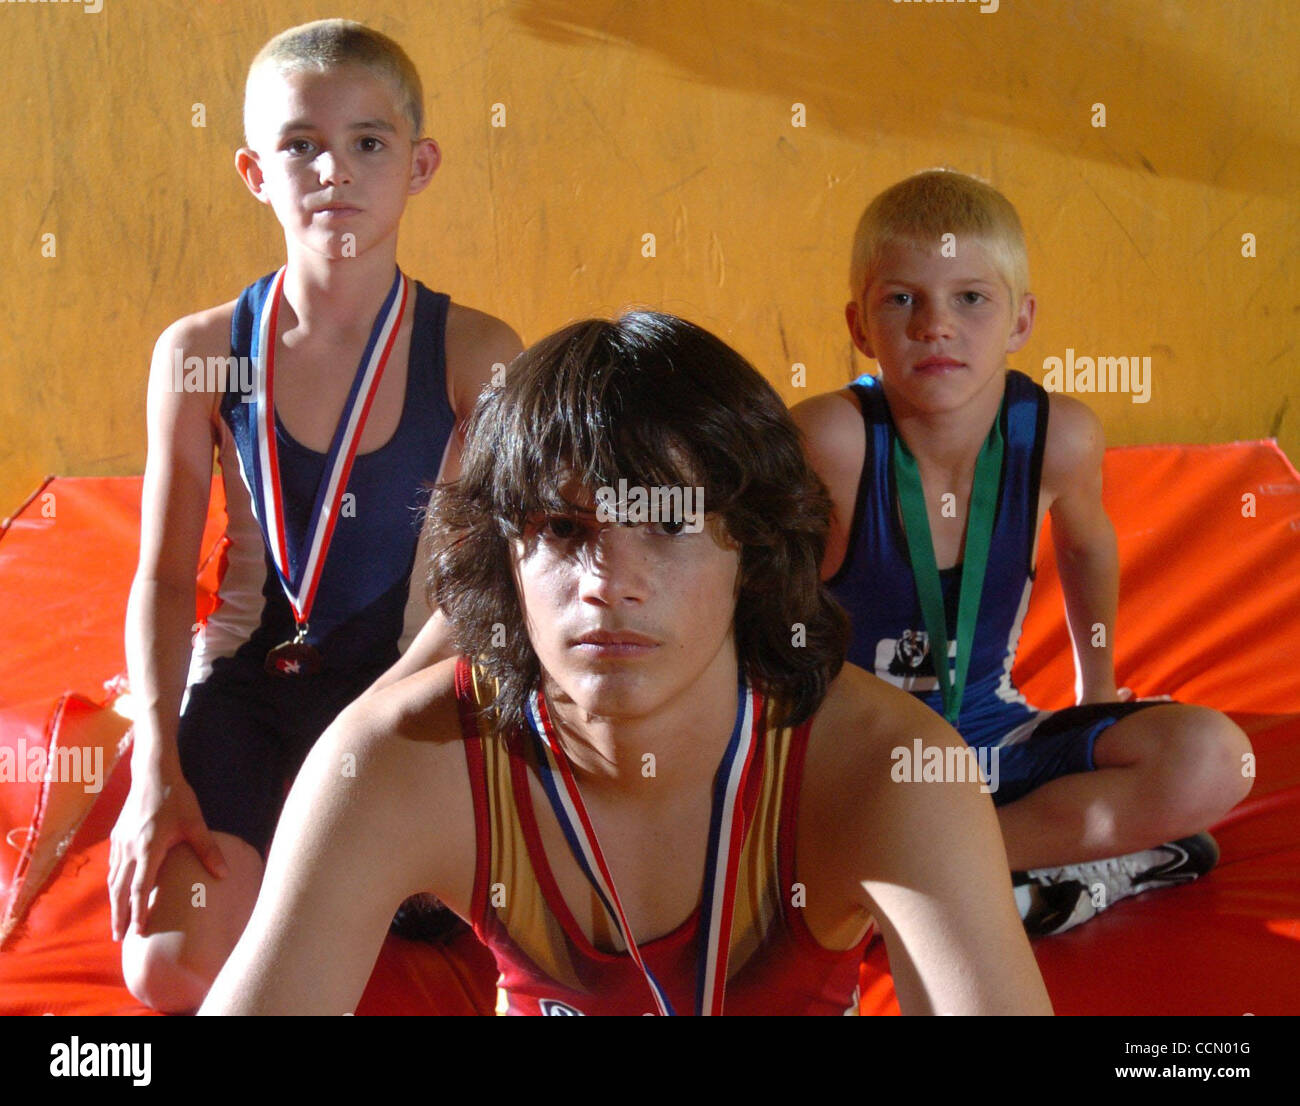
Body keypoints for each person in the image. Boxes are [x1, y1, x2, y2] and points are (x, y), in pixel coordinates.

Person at [200, 311, 1052, 1016]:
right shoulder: (395, 760)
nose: (609, 585)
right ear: (505, 562)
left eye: (669, 525)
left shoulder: (890, 770)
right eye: (565, 532)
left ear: (749, 553)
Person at [110, 19, 522, 1012]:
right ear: (255, 171)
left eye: (367, 142)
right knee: (167, 967)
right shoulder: (201, 349)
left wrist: (371, 734)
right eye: (301, 144)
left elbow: (484, 578)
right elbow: (164, 576)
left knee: (486, 912)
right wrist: (154, 769)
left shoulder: (478, 350)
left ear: (418, 164)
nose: (334, 169)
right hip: (255, 677)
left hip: (407, 679)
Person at [791, 169, 1253, 935]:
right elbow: (755, 608)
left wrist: (1094, 688)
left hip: (988, 738)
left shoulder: (1057, 437)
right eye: (901, 298)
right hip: (859, 757)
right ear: (859, 325)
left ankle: (929, 879)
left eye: (971, 298)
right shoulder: (831, 442)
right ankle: (1045, 881)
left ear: (1021, 320)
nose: (935, 325)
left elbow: (1088, 546)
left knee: (1214, 758)